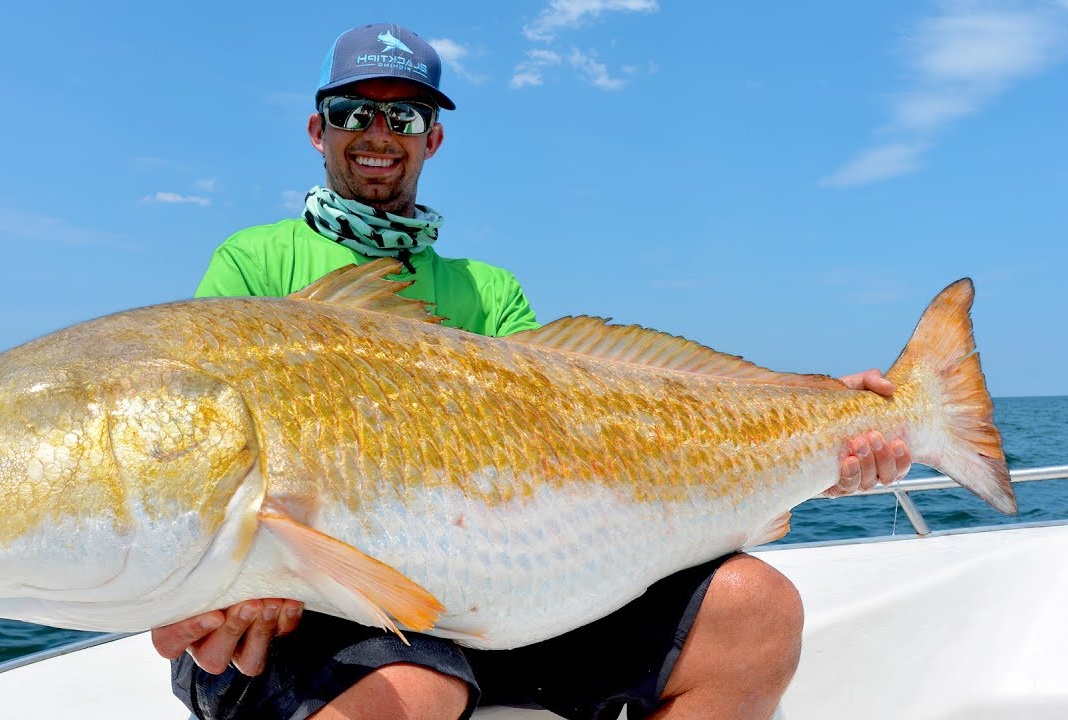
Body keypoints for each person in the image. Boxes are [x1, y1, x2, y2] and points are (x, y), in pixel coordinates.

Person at [155, 24, 911, 720]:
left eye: (405, 116)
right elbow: (203, 462)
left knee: (756, 611)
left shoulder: (491, 292)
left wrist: (814, 421)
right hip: (326, 604)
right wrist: (231, 585)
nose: (379, 133)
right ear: (318, 129)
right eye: (354, 112)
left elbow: (582, 433)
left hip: (499, 597)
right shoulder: (251, 264)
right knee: (415, 688)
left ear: (433, 138)